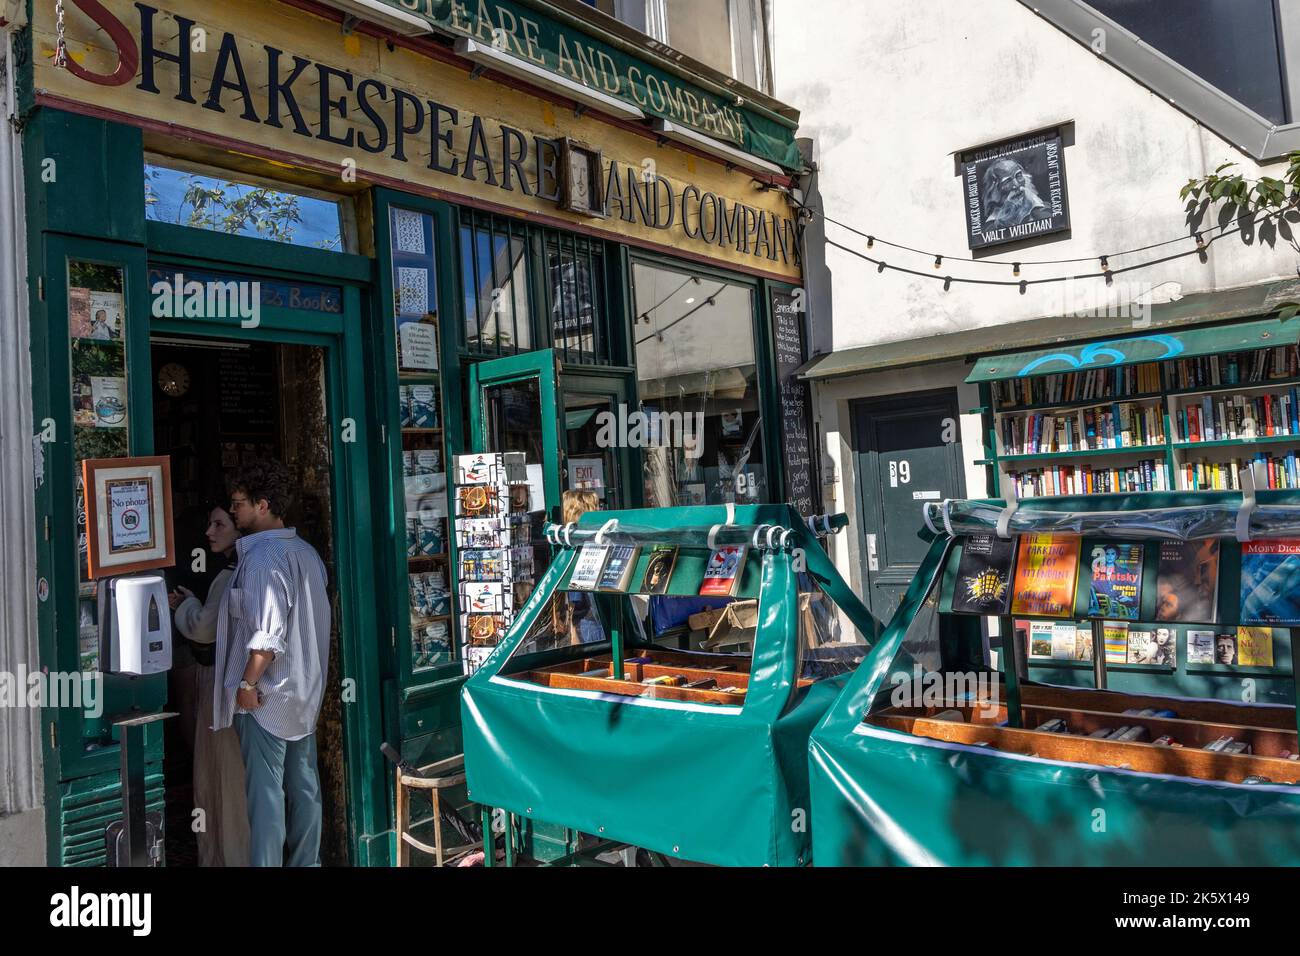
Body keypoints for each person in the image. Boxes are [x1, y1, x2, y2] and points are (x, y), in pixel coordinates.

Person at [214, 459, 331, 867]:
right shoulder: (304, 552)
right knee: (304, 788)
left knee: (265, 798)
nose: (233, 511)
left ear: (263, 505)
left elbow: (268, 635)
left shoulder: (264, 558)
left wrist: (246, 686)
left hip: (266, 696)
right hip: (303, 691)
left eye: (239, 503)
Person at [168, 503, 250, 867]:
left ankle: (225, 856)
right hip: (231, 686)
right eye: (209, 523)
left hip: (224, 684)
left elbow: (205, 626)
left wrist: (185, 607)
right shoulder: (240, 569)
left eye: (219, 524)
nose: (209, 532)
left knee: (221, 778)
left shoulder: (233, 573)